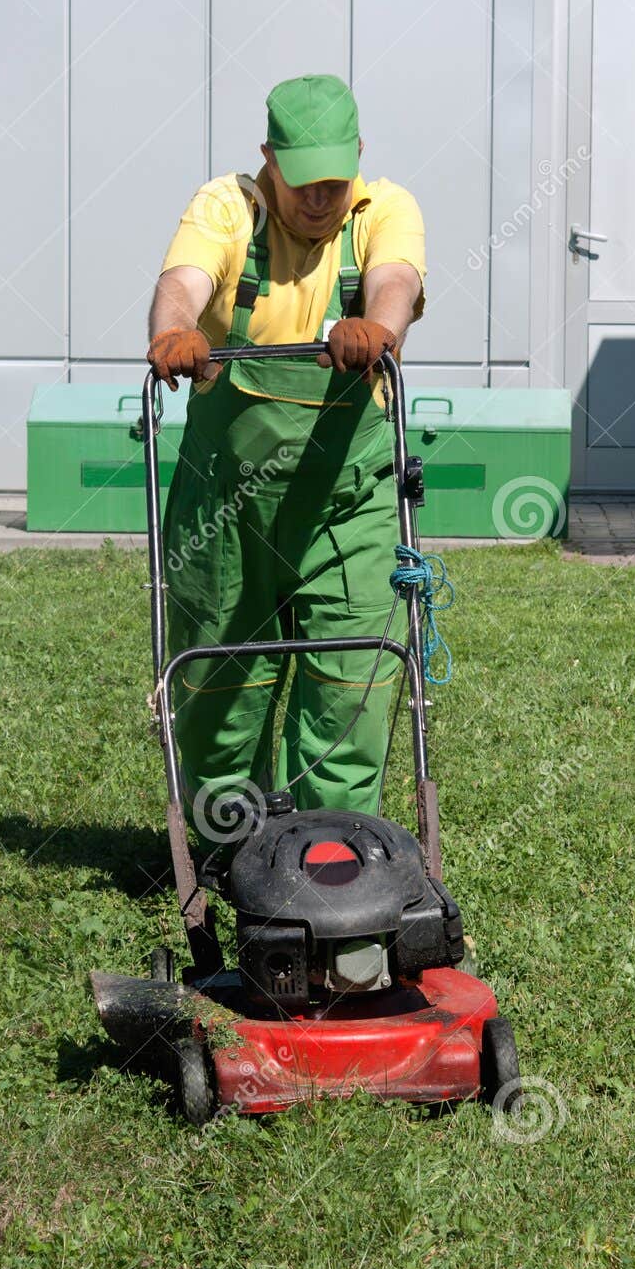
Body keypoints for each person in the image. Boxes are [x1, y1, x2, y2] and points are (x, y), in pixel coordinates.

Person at [146, 73, 426, 850]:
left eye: (334, 181)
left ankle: (332, 853)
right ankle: (225, 854)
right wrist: (175, 331)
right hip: (230, 510)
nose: (318, 199)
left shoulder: (383, 210)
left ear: (358, 159)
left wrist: (377, 327)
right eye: (302, 181)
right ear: (268, 158)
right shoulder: (226, 207)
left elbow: (396, 279)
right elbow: (183, 281)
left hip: (348, 506)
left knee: (349, 682)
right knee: (222, 685)